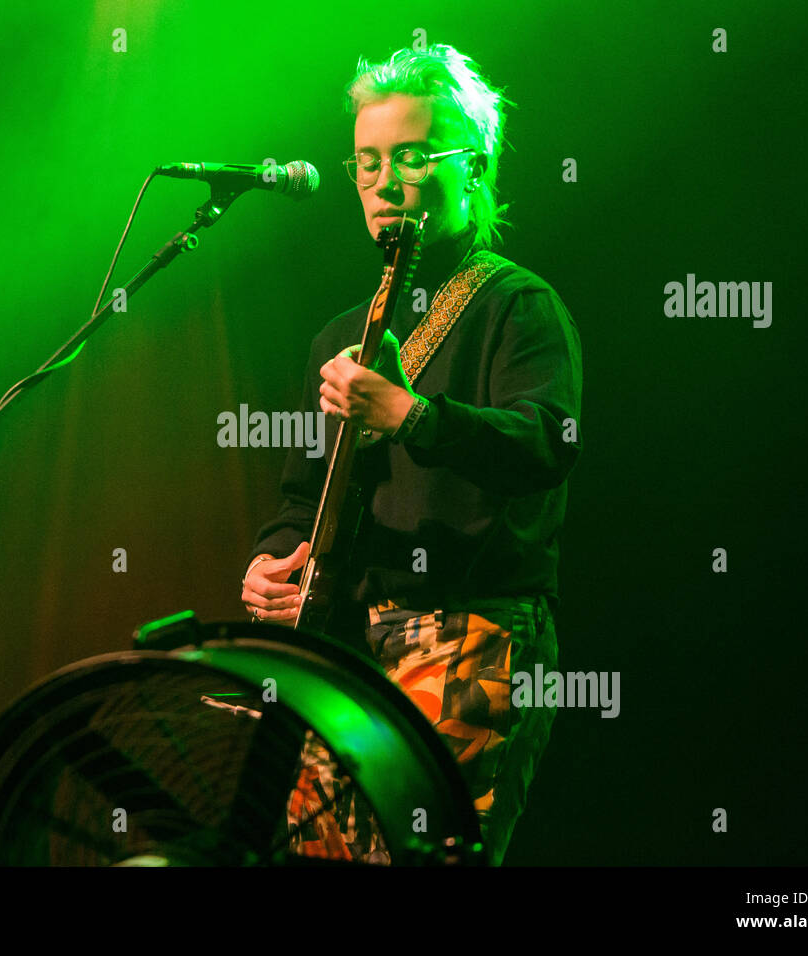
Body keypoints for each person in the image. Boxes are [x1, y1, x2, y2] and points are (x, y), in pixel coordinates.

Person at [240, 44, 583, 866]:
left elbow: (545, 443)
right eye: (367, 162)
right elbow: (303, 494)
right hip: (356, 648)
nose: (385, 180)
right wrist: (270, 561)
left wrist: (409, 414)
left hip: (476, 632)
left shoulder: (517, 305)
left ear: (475, 168)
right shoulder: (341, 333)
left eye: (412, 156)